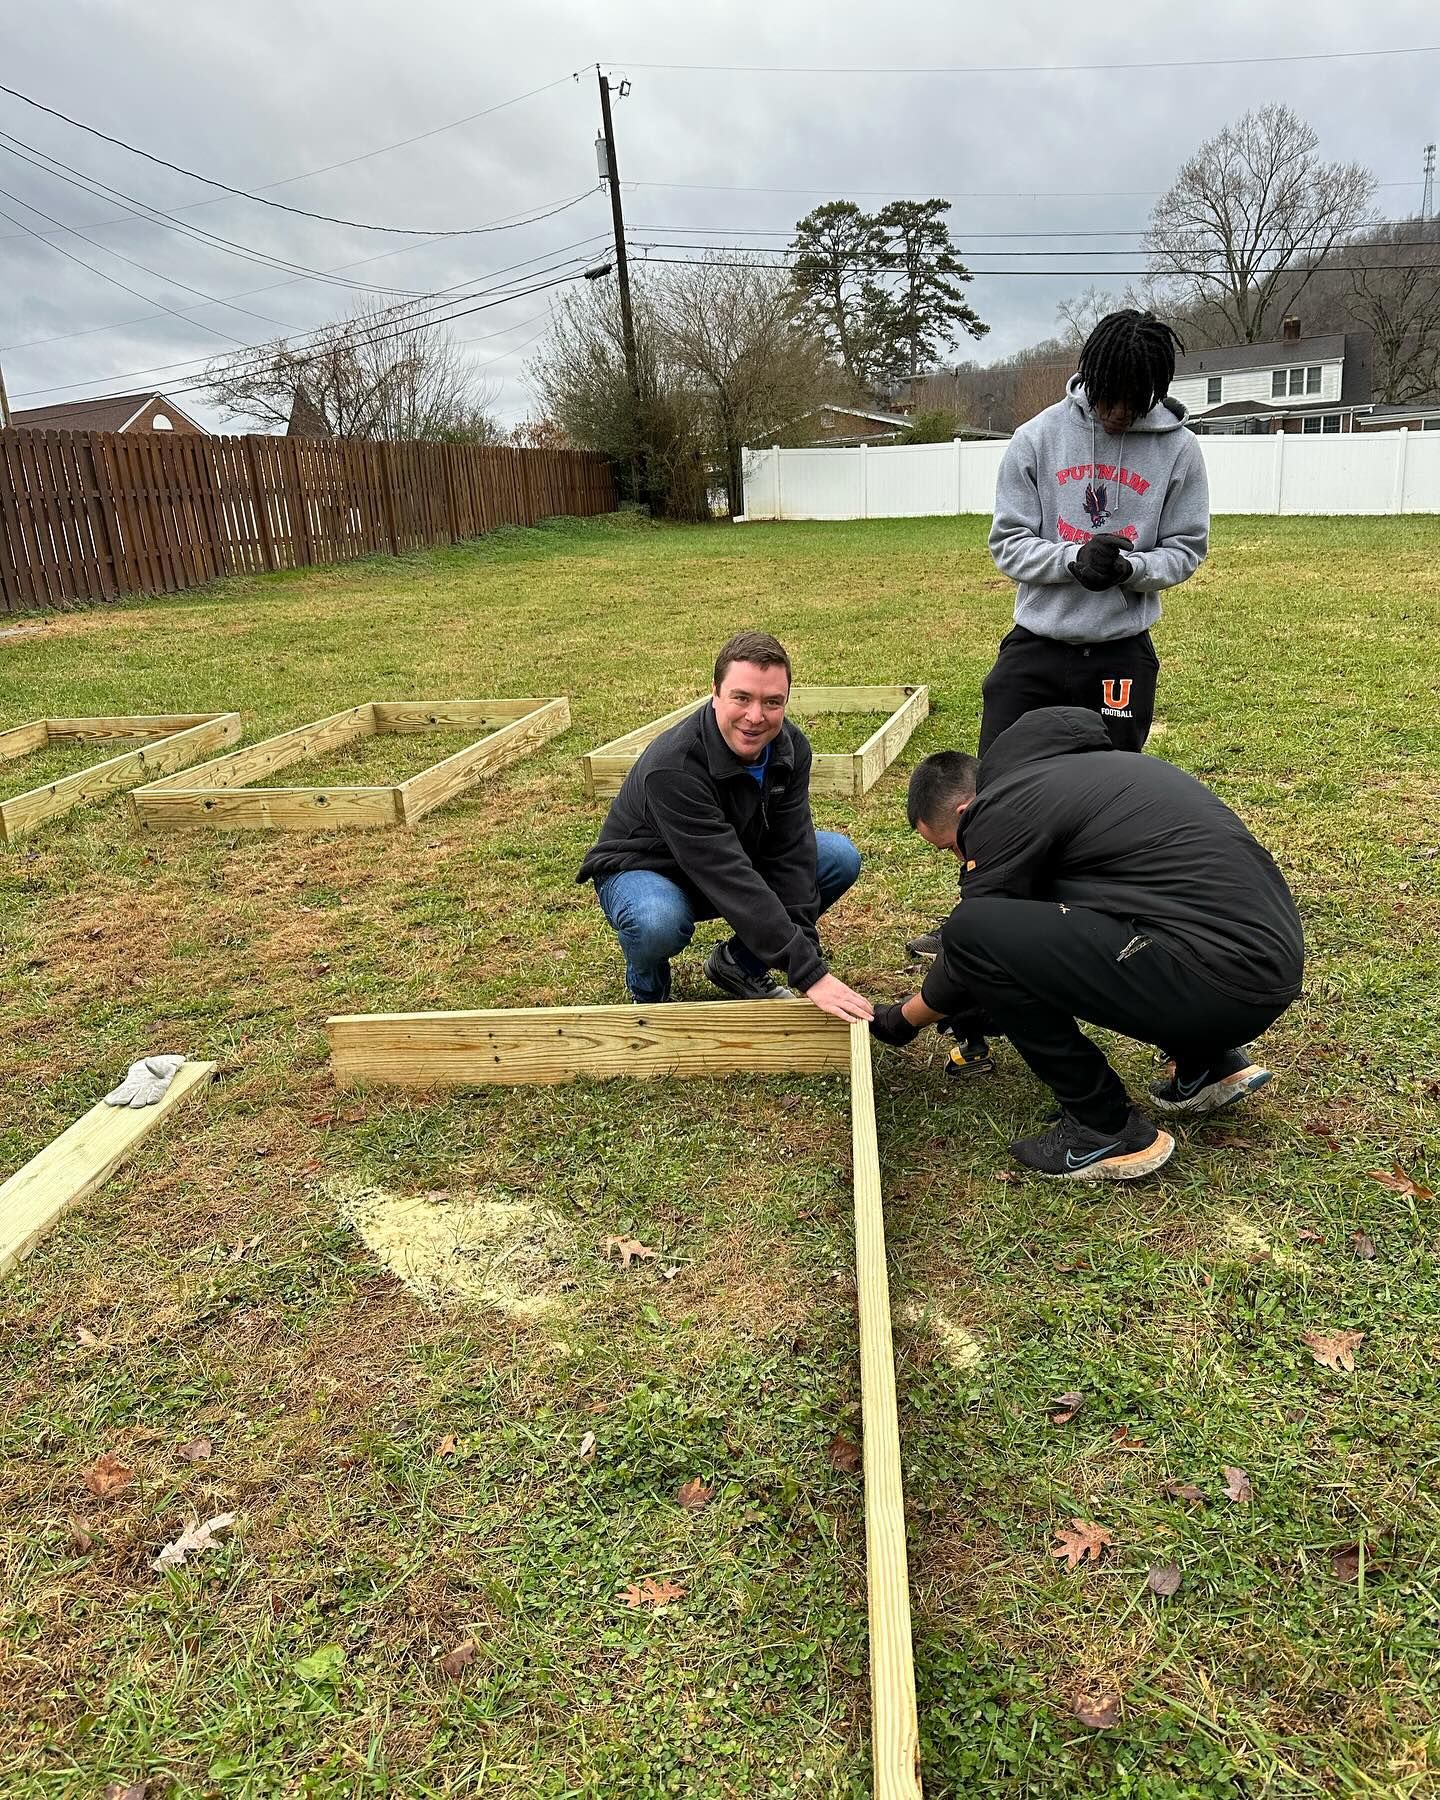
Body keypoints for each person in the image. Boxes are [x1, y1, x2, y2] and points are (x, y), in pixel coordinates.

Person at [871, 707, 1304, 1181]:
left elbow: (971, 947)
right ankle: (1207, 1064)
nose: (962, 857)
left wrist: (900, 1020)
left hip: (1216, 984)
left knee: (972, 929)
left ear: (965, 811)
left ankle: (1104, 1126)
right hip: (1265, 969)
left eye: (951, 846)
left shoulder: (1003, 807)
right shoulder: (1098, 773)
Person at [906, 308, 1210, 960]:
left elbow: (1187, 550)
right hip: (1037, 643)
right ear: (1088, 377)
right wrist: (1072, 561)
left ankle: (1098, 926)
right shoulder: (1037, 438)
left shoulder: (1180, 449)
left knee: (1114, 795)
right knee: (995, 791)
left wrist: (1133, 569)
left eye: (1136, 400)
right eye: (1109, 397)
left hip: (1121, 651)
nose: (1119, 413)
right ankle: (977, 924)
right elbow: (1008, 544)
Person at [577, 631, 874, 1022]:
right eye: (741, 697)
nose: (755, 716)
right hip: (644, 870)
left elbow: (792, 853)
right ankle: (649, 992)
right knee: (657, 922)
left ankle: (738, 964)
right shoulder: (674, 766)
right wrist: (811, 976)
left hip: (726, 861)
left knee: (835, 857)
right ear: (715, 692)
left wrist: (806, 960)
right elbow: (729, 876)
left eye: (772, 702)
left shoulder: (790, 748)